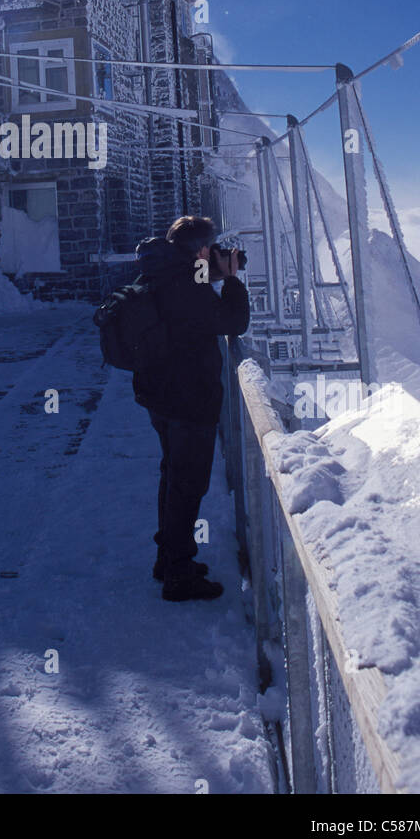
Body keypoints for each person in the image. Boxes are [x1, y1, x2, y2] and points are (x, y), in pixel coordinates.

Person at [132, 215, 250, 603]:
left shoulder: (164, 271)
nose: (215, 252)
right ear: (200, 250)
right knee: (187, 485)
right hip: (187, 400)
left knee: (173, 476)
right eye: (211, 247)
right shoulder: (185, 284)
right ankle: (179, 575)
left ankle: (167, 559)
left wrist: (215, 273)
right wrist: (232, 279)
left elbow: (189, 305)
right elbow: (233, 321)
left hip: (160, 395)